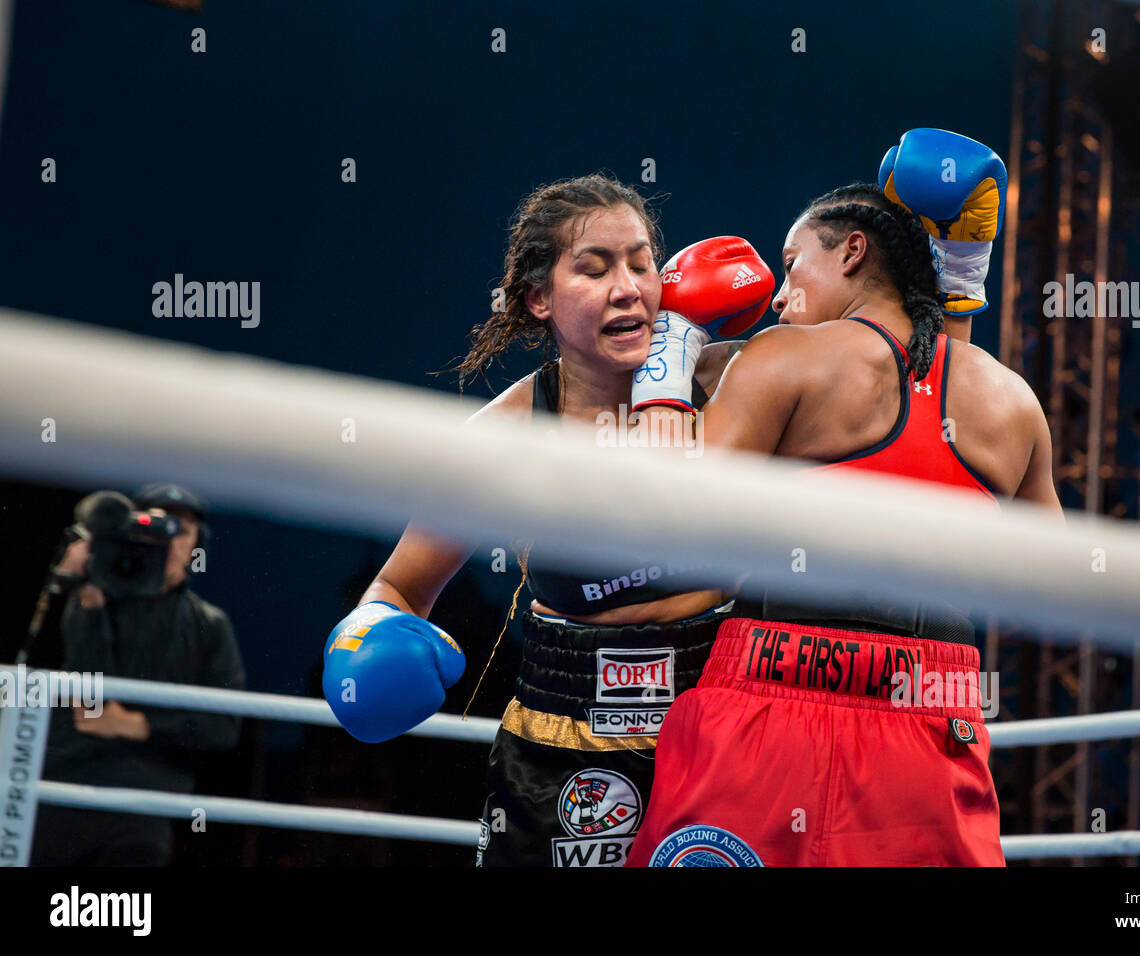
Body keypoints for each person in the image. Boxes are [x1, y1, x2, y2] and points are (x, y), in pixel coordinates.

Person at [626, 130, 1063, 866]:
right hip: (931, 715)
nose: (778, 294)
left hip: (769, 696)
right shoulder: (1014, 401)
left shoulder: (781, 359)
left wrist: (669, 353)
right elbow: (1043, 597)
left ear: (853, 252)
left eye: (793, 264)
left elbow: (672, 526)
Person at [320, 174, 773, 866]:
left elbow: (887, 373)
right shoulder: (504, 436)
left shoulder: (737, 384)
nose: (627, 287)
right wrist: (369, 637)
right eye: (594, 268)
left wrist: (952, 264)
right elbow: (400, 589)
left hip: (725, 725)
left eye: (642, 262)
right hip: (566, 750)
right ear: (538, 300)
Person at [30, 482, 245, 866]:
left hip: (141, 803)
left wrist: (137, 724)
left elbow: (224, 726)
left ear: (198, 544)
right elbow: (27, 668)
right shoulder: (84, 594)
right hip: (59, 784)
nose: (171, 538)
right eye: (159, 525)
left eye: (184, 529)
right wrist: (65, 579)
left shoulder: (208, 625)